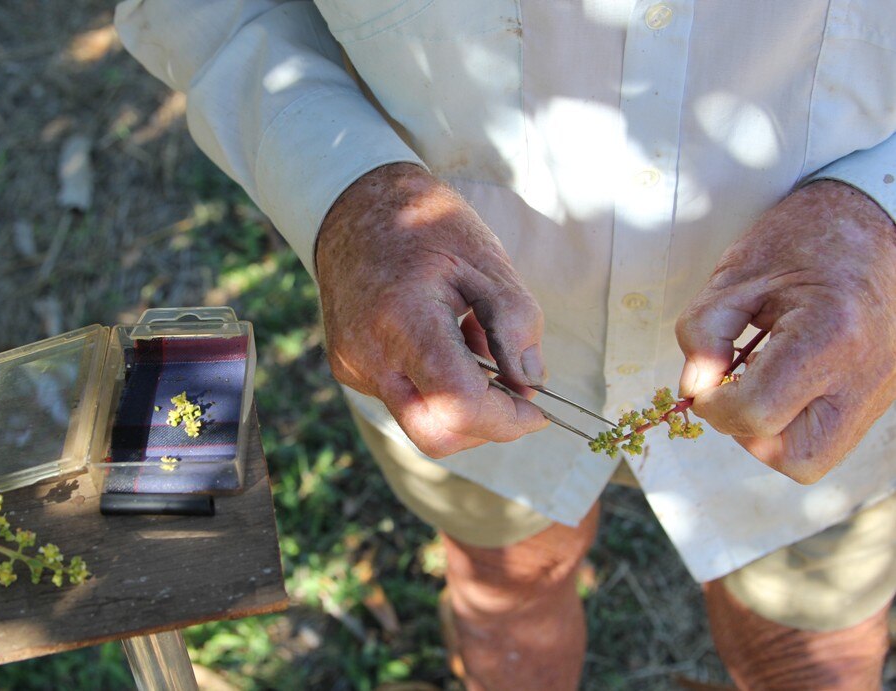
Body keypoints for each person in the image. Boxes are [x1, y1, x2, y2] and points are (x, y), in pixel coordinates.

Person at [115, 1, 896, 687]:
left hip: (840, 345)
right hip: (452, 337)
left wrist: (881, 217)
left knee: (809, 653)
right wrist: (346, 195)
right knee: (506, 588)